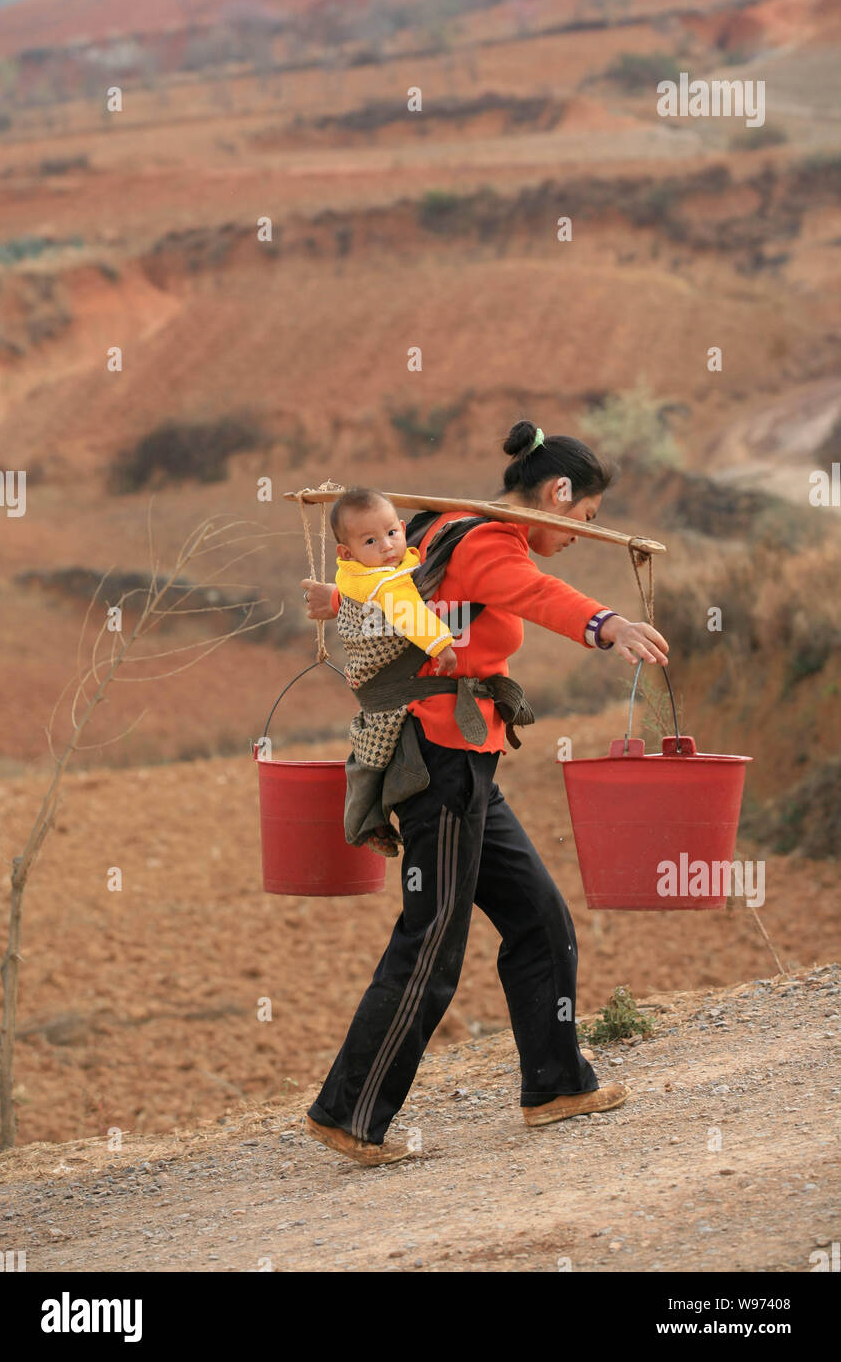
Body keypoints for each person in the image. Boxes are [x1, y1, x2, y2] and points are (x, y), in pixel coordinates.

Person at [299, 420, 669, 1167]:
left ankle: (556, 1083)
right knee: (432, 935)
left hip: (466, 755)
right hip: (442, 757)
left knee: (537, 916)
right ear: (558, 493)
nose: (577, 534)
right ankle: (349, 1112)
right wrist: (607, 625)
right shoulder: (485, 542)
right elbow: (534, 591)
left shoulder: (434, 527)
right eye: (584, 519)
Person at [331, 486, 458, 857]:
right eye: (371, 540)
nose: (387, 546)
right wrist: (441, 645)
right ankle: (363, 820)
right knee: (377, 746)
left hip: (375, 678)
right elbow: (410, 615)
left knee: (374, 737)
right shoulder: (387, 583)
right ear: (347, 553)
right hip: (378, 674)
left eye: (391, 533)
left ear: (403, 528)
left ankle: (377, 813)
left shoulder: (360, 572)